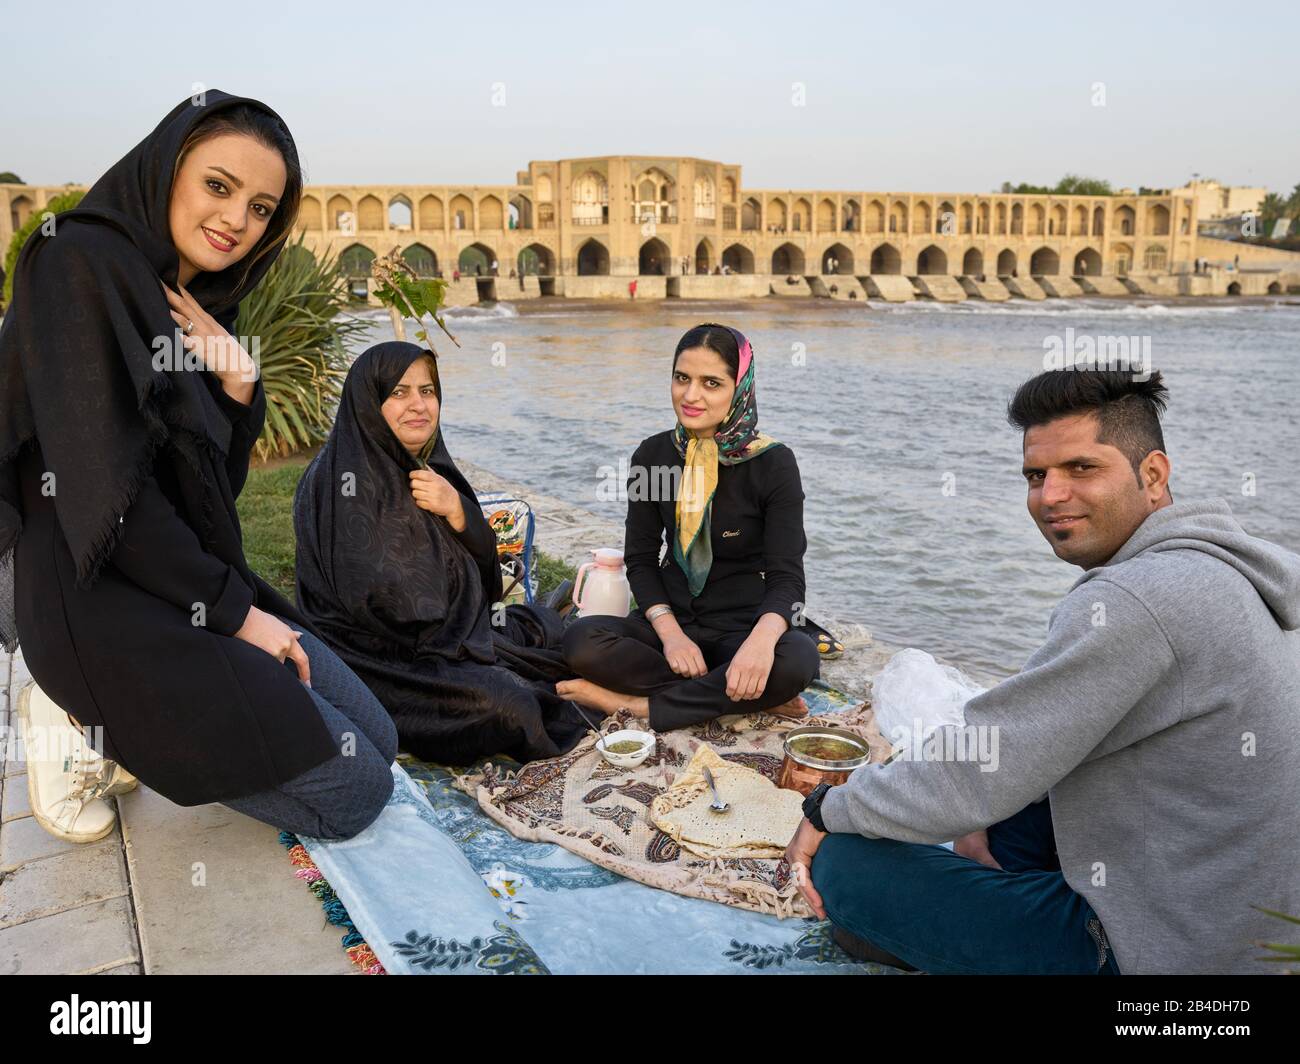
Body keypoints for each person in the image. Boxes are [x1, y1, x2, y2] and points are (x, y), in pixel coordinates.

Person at [785, 368, 1300, 975]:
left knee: (845, 862)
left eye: (1082, 468)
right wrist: (983, 806)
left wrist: (825, 811)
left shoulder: (1140, 598)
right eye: (1037, 475)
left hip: (1161, 950)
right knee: (1001, 797)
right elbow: (1024, 741)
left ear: (1153, 474)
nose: (1050, 495)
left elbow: (981, 767)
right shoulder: (1231, 569)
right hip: (1234, 908)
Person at [0, 91, 396, 842]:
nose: (236, 221)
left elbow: (212, 493)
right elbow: (112, 496)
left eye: (260, 208)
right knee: (355, 795)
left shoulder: (193, 301)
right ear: (167, 166)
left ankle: (127, 725)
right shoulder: (76, 263)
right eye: (219, 186)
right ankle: (82, 719)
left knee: (378, 736)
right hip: (97, 598)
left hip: (181, 577)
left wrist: (240, 385)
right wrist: (240, 617)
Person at [293, 341, 587, 765]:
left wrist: (458, 511)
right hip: (385, 666)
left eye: (427, 391)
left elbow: (489, 584)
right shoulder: (341, 484)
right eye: (399, 392)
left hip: (451, 638)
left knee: (549, 632)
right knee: (511, 704)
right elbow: (395, 609)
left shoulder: (428, 468)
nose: (419, 406)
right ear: (368, 400)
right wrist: (466, 626)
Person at [559, 324, 819, 729]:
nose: (691, 395)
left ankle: (640, 705)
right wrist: (671, 635)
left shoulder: (773, 464)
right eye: (682, 378)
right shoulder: (654, 455)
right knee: (581, 642)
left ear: (740, 388)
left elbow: (787, 578)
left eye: (711, 383)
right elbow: (642, 559)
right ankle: (738, 697)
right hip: (669, 623)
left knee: (798, 659)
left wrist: (760, 644)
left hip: (740, 629)